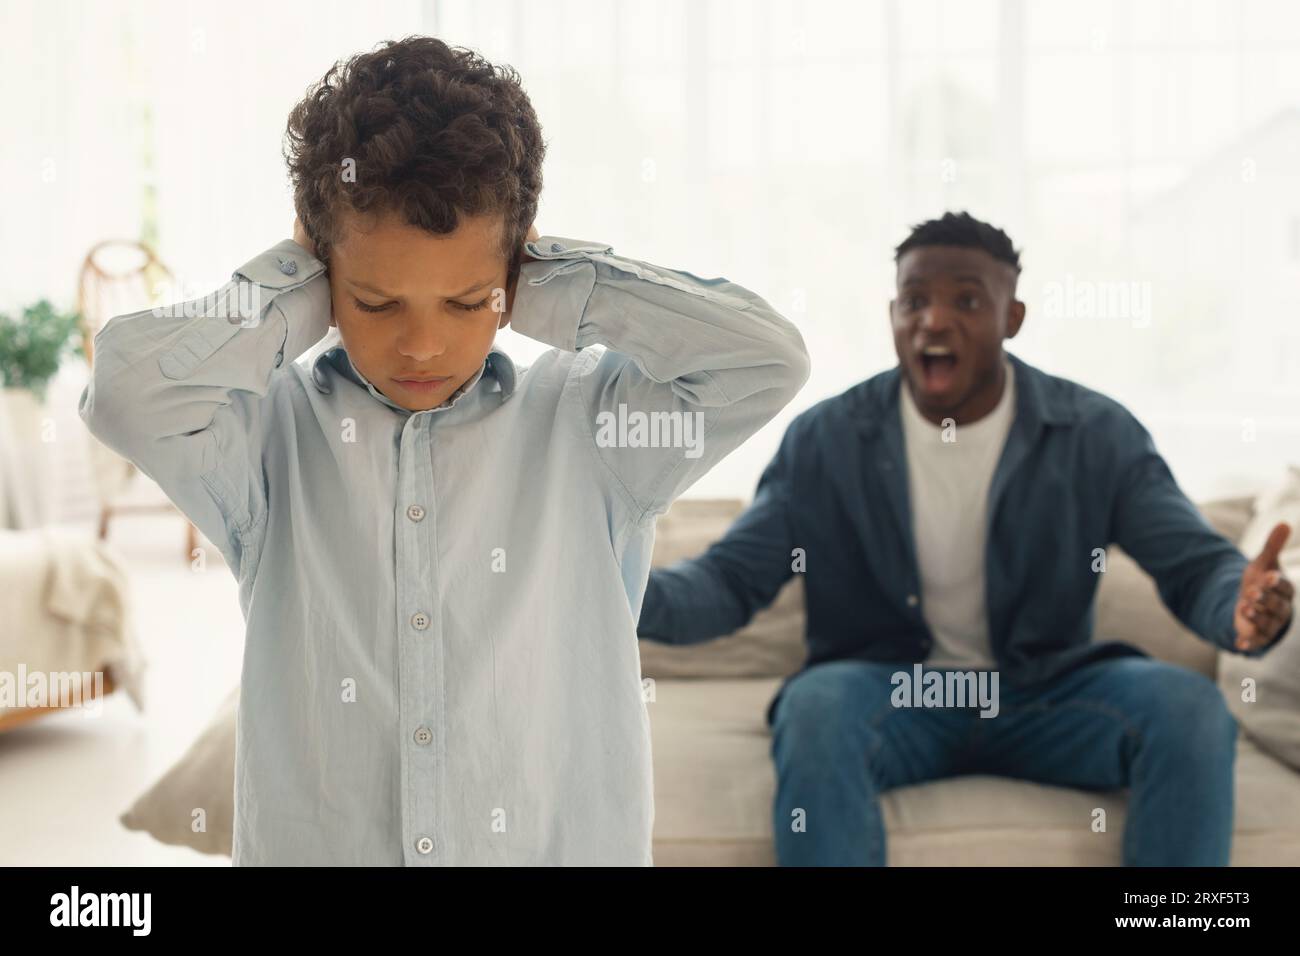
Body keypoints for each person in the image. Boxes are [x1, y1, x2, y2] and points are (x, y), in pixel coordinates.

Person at [79, 35, 809, 865]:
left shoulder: (593, 427)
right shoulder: (263, 436)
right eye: (376, 301)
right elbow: (126, 393)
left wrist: (550, 280)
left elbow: (765, 362)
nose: (422, 345)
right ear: (317, 267)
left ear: (517, 263)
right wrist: (292, 292)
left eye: (466, 300)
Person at [637, 211, 1294, 866]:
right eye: (915, 301)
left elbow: (1194, 564)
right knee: (816, 707)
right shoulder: (826, 440)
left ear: (1013, 318)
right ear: (894, 314)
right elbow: (728, 581)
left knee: (1191, 707)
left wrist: (1237, 604)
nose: (934, 320)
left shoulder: (1094, 433)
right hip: (889, 695)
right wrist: (618, 585)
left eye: (968, 301)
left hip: (1045, 694)